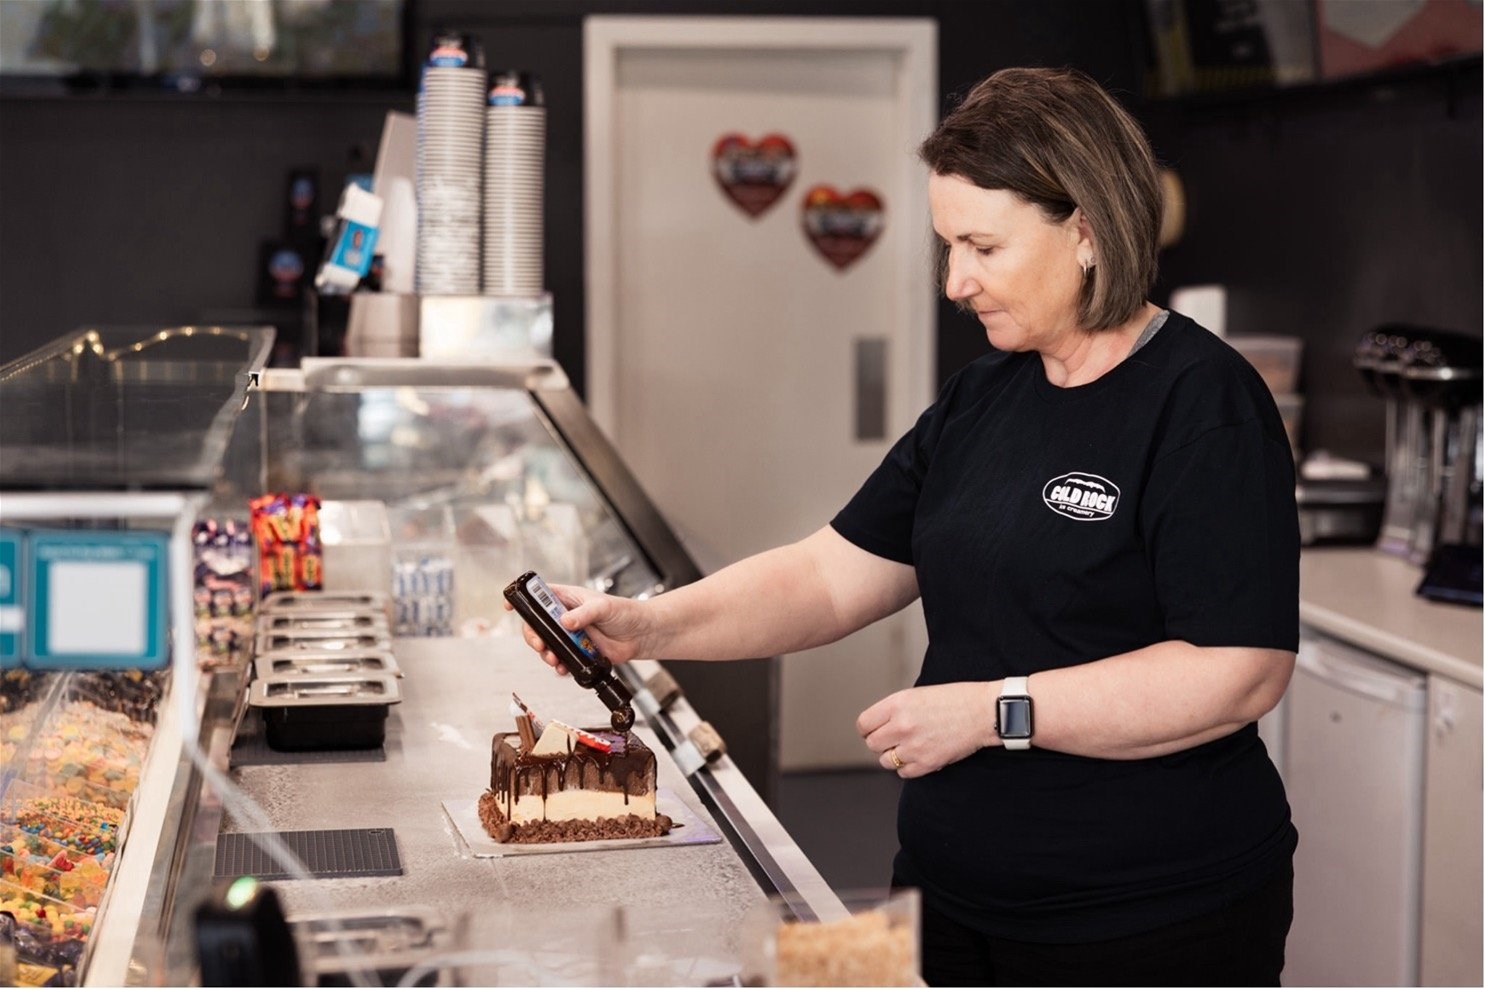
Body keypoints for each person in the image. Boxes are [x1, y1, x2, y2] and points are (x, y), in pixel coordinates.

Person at [511, 66, 1299, 987]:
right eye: (945, 246)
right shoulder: (984, 396)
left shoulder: (1204, 405)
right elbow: (831, 575)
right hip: (949, 895)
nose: (955, 281)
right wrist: (649, 624)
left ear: (1083, 230)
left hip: (1144, 915)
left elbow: (1237, 672)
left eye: (982, 247)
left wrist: (992, 711)